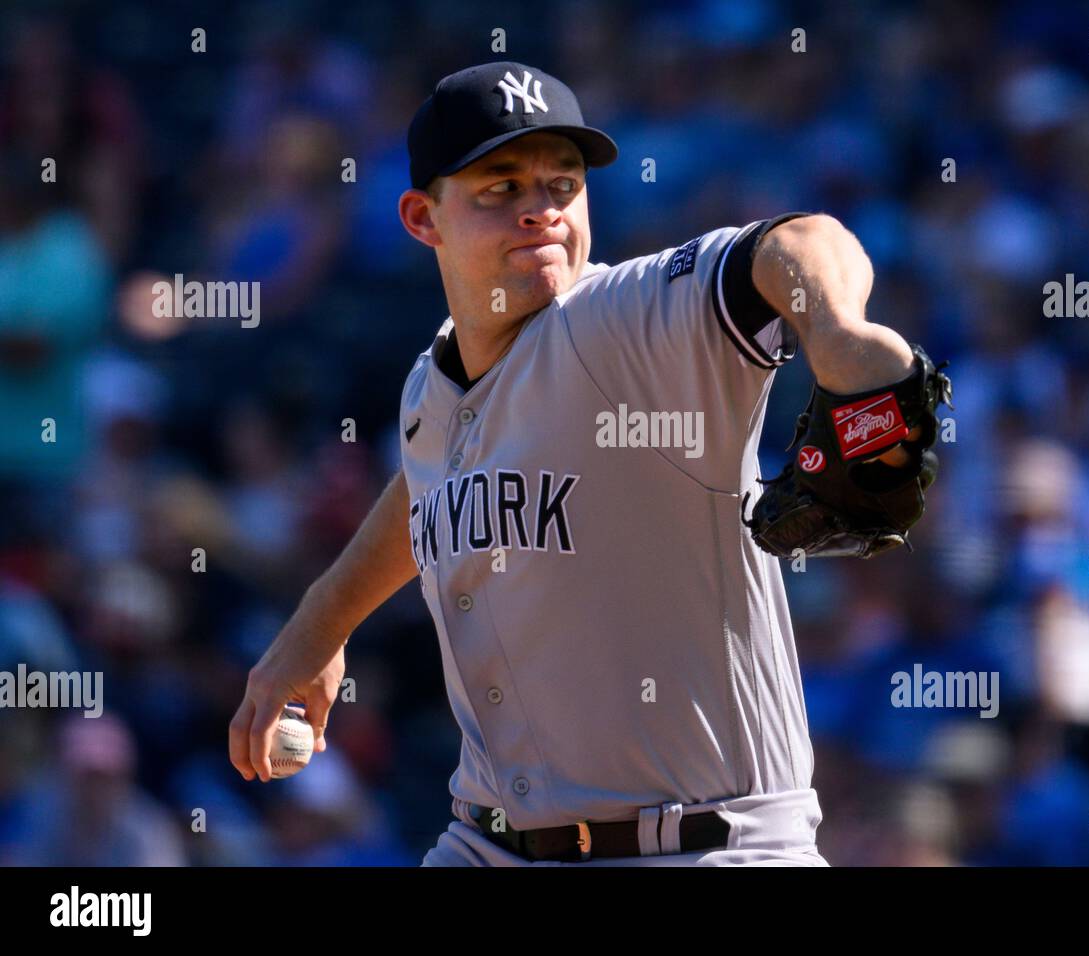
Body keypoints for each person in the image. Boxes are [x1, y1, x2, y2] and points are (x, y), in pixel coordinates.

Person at [231, 61, 941, 866]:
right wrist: (321, 623)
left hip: (704, 846)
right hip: (486, 841)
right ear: (423, 217)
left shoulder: (624, 323)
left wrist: (839, 332)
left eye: (562, 186)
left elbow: (801, 242)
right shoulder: (431, 388)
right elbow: (431, 483)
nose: (541, 213)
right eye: (501, 189)